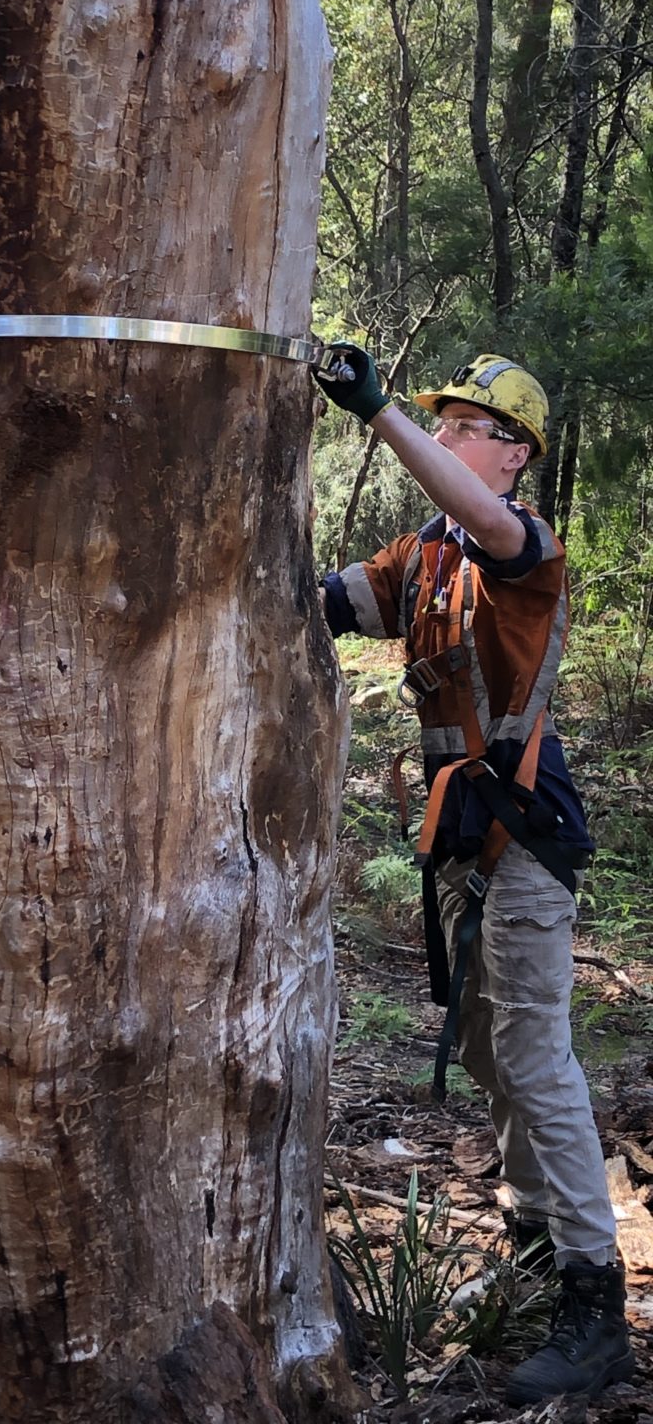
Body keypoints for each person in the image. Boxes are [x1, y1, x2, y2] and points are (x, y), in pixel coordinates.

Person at [316, 348, 633, 1405]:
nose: (443, 434)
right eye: (439, 420)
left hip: (526, 833)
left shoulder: (518, 547)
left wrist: (376, 412)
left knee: (536, 1058)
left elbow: (495, 530)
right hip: (460, 839)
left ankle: (596, 1302)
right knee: (495, 1057)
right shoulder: (426, 554)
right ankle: (536, 1243)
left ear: (511, 453)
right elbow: (329, 602)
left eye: (463, 424)